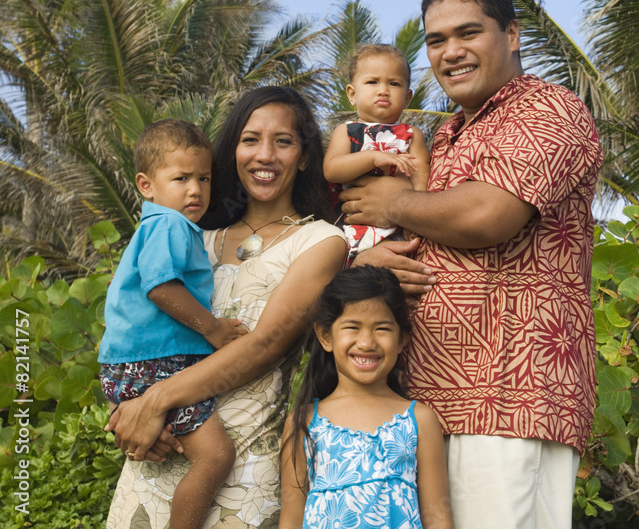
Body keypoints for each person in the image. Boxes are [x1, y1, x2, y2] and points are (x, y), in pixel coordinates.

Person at [340, 0, 603, 529]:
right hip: (427, 402)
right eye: (436, 41)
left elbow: (489, 215)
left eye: (468, 33)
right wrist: (371, 259)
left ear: (511, 35)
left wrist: (391, 204)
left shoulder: (547, 108)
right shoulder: (451, 132)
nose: (450, 52)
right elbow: (426, 238)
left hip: (511, 398)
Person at [104, 86, 348, 528]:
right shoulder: (196, 237)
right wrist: (130, 406)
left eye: (284, 141)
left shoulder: (322, 241)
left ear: (306, 156)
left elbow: (265, 346)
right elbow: (140, 322)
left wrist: (153, 400)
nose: (265, 155)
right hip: (161, 448)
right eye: (250, 139)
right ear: (232, 151)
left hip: (242, 466)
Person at [98, 119, 245, 529]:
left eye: (204, 177)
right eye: (181, 178)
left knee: (171, 447)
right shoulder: (169, 224)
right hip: (157, 362)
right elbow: (160, 287)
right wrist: (214, 329)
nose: (195, 189)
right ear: (147, 185)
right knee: (216, 456)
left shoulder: (157, 226)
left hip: (131, 364)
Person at [278, 264, 452, 529]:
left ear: (402, 340)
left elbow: (438, 518)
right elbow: (291, 518)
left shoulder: (419, 420)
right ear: (326, 336)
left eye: (381, 328)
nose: (367, 343)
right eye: (353, 327)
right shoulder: (304, 422)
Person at [323, 43, 430, 262]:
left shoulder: (412, 135)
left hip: (399, 225)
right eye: (372, 82)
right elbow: (332, 170)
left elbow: (422, 175)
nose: (383, 90)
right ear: (352, 94)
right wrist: (372, 157)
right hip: (353, 227)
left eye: (394, 83)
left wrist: (418, 216)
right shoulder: (346, 132)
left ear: (407, 98)